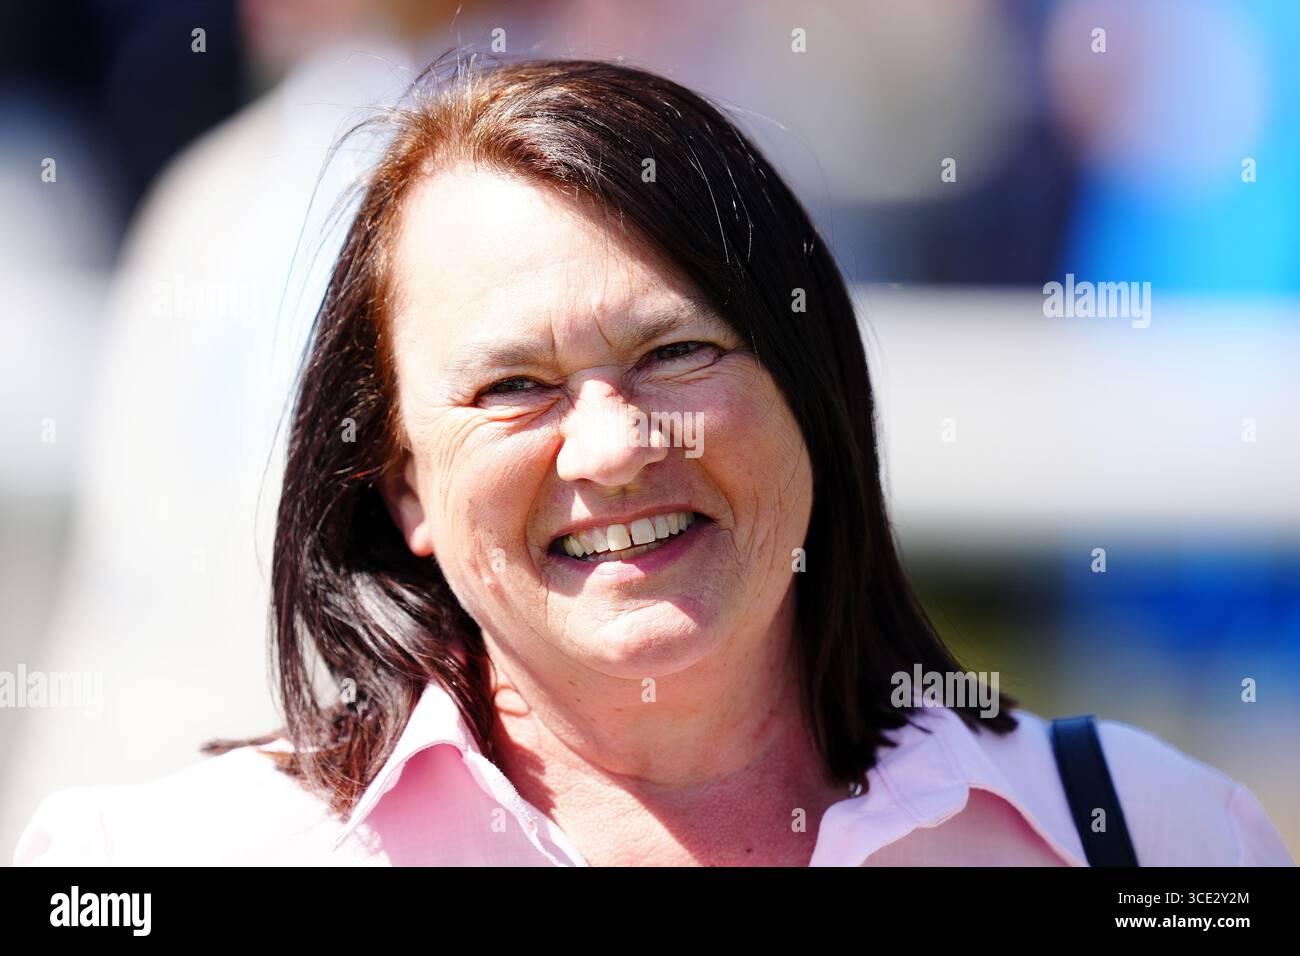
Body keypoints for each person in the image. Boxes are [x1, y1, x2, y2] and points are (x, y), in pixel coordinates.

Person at [13, 55, 1294, 867]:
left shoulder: (1144, 839)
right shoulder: (152, 864)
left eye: (678, 351)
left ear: (812, 396)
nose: (618, 444)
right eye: (513, 387)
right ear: (402, 483)